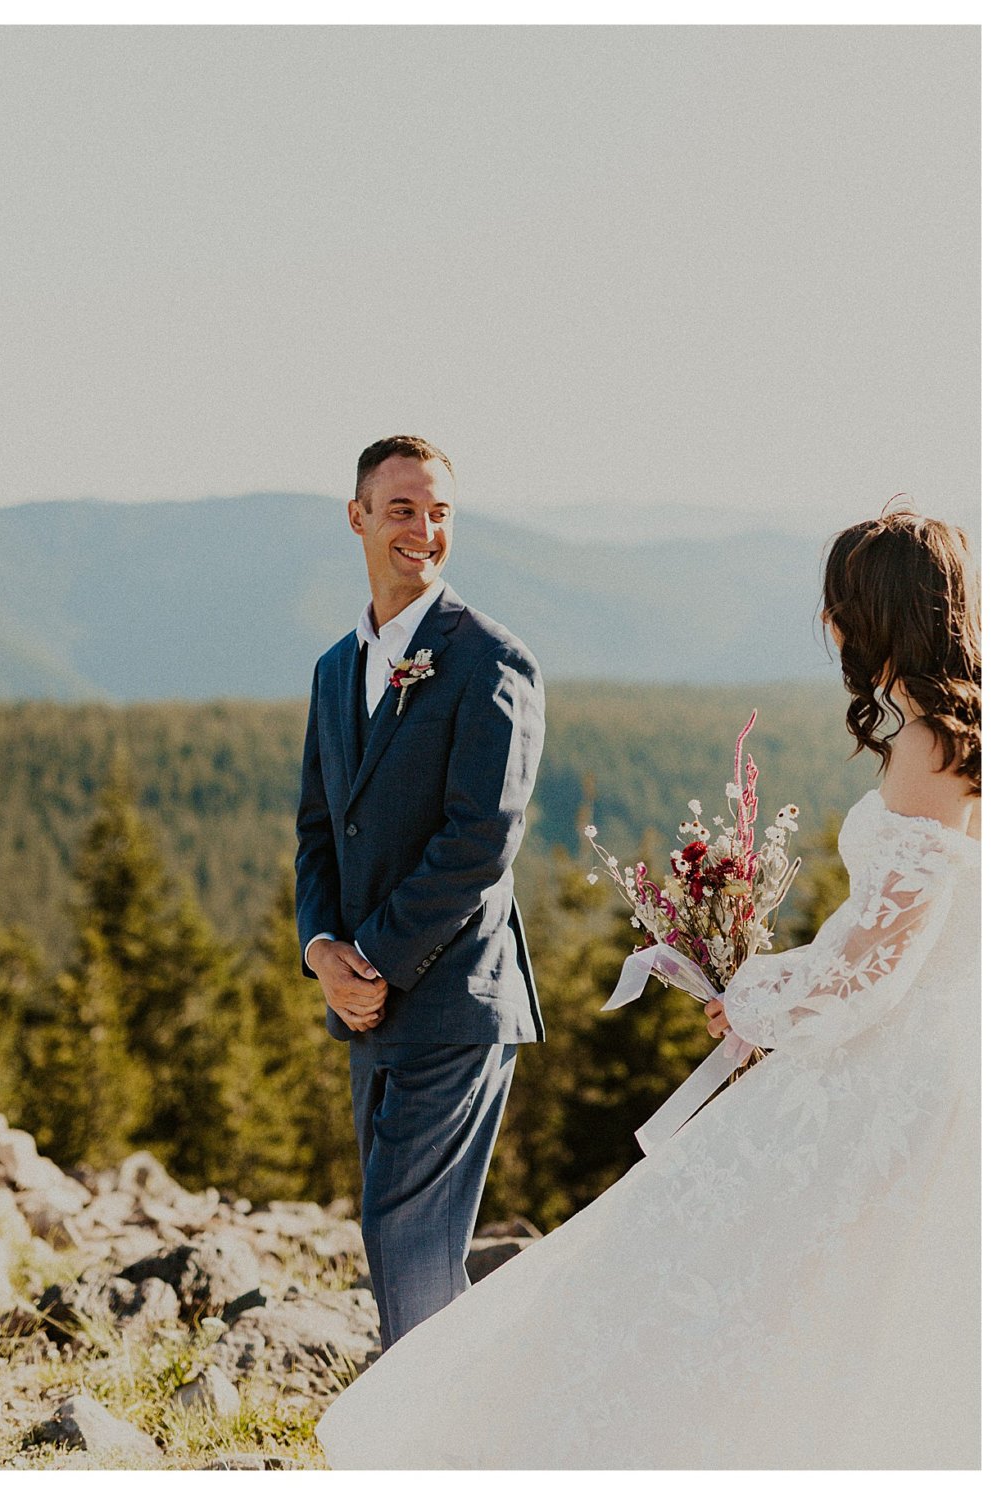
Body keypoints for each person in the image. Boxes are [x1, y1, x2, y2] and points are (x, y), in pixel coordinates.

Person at [314, 509, 980, 1469]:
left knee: (704, 1266)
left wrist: (755, 999)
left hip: (888, 1077)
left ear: (876, 610)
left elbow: (879, 958)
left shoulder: (930, 744)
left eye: (839, 603)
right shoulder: (966, 735)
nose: (831, 624)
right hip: (946, 1066)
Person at [294, 434, 546, 1351]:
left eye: (439, 511)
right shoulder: (333, 669)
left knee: (407, 1234)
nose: (424, 529)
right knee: (397, 1232)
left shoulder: (491, 660)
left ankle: (423, 1445)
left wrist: (377, 958)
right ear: (357, 516)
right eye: (402, 508)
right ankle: (446, 1432)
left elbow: (482, 839)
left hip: (454, 997)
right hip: (365, 1002)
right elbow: (319, 831)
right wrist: (324, 952)